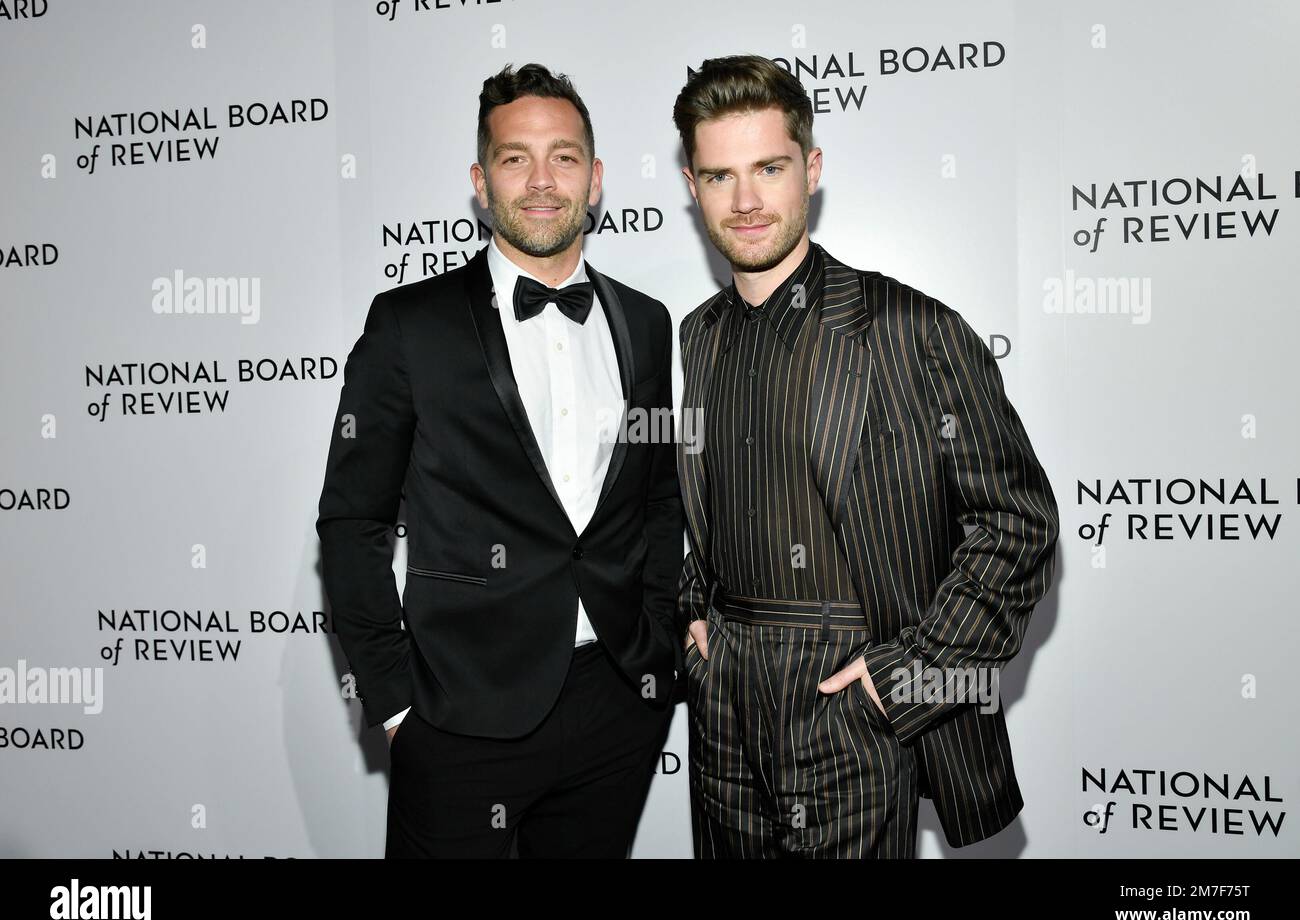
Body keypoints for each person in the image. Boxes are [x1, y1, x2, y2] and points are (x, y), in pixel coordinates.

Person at [672, 54, 1060, 857]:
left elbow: (1018, 523)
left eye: (768, 168)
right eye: (719, 176)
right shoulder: (699, 337)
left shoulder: (911, 330)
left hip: (848, 690)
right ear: (691, 184)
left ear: (810, 169)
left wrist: (907, 672)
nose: (745, 201)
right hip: (723, 696)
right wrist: (698, 617)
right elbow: (703, 505)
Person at [316, 62, 682, 858]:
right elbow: (353, 520)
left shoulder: (647, 323)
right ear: (482, 182)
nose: (543, 180)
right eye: (517, 158)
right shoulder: (410, 325)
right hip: (457, 715)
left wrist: (656, 644)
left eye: (565, 156)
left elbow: (657, 500)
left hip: (617, 702)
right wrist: (396, 705)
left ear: (597, 179)